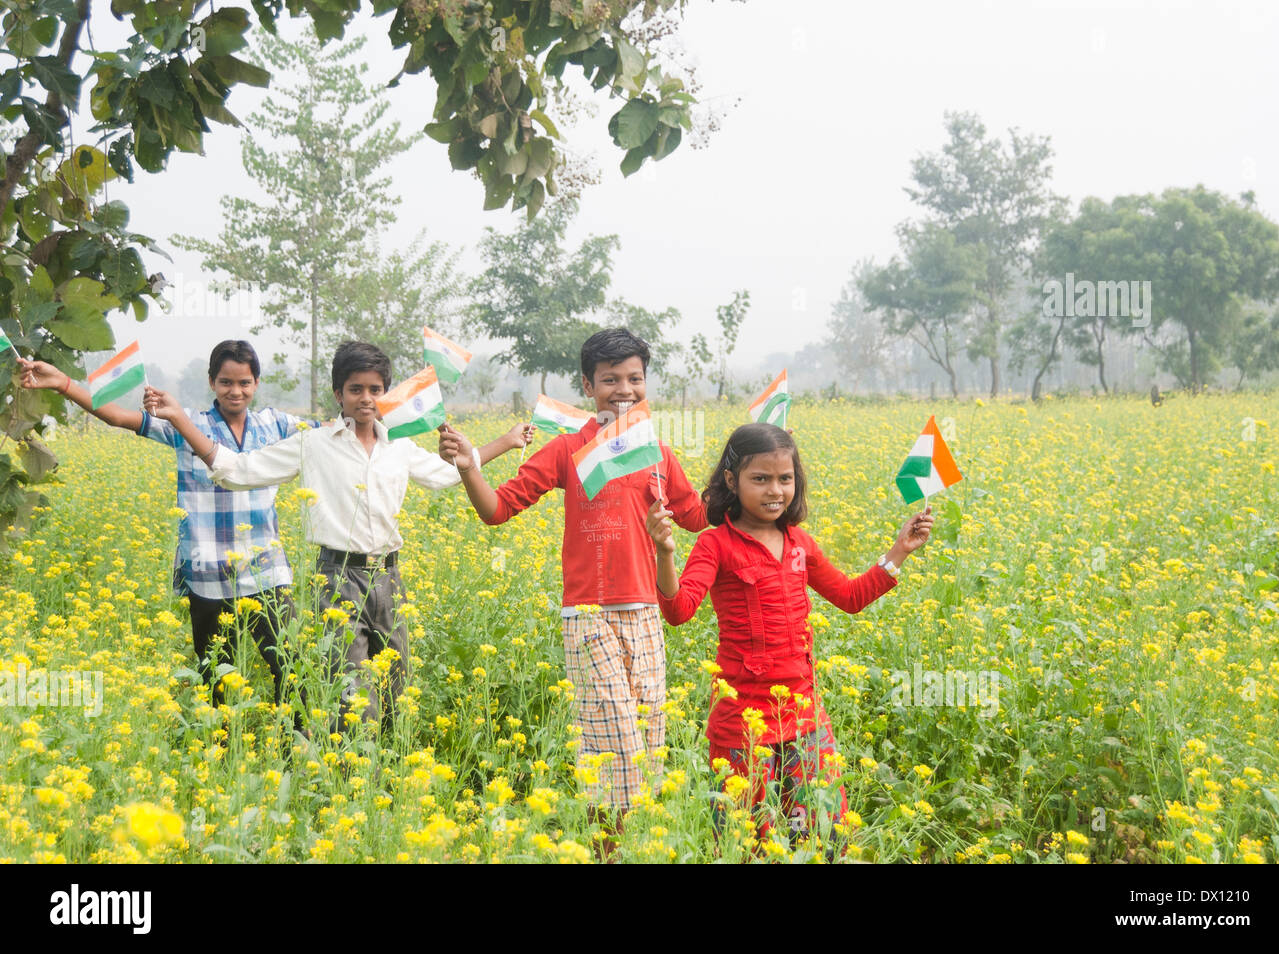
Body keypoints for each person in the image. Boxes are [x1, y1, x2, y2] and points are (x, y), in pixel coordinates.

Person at [144, 341, 530, 728]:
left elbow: (449, 472)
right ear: (338, 394)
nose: (366, 399)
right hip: (337, 580)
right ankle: (351, 777)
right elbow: (238, 471)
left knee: (396, 693)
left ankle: (391, 779)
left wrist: (507, 441)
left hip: (389, 580)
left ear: (386, 394)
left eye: (375, 390)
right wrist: (180, 419)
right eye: (355, 389)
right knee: (352, 696)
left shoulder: (399, 445)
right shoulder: (313, 444)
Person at [438, 328, 708, 821]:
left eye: (634, 379)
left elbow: (698, 516)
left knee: (648, 746)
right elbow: (497, 509)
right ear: (588, 386)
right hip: (588, 616)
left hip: (646, 611)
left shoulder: (657, 452)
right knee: (612, 745)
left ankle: (634, 845)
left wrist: (746, 471)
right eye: (610, 380)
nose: (624, 390)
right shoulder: (568, 450)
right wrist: (467, 468)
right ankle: (605, 846)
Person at [646, 422, 934, 847]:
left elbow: (851, 597)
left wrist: (899, 552)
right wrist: (665, 554)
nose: (774, 490)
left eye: (785, 479)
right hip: (742, 721)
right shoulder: (715, 544)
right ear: (732, 481)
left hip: (804, 715)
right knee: (747, 841)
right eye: (759, 479)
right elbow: (679, 610)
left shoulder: (801, 543)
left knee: (820, 833)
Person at [20, 341, 313, 721]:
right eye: (226, 382)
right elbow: (118, 417)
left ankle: (300, 742)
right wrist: (63, 383)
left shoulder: (275, 424)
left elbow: (330, 433)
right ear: (211, 382)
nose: (235, 391)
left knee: (290, 667)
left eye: (243, 382)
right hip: (208, 573)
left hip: (266, 571)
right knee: (216, 676)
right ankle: (221, 750)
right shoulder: (184, 422)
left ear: (256, 383)